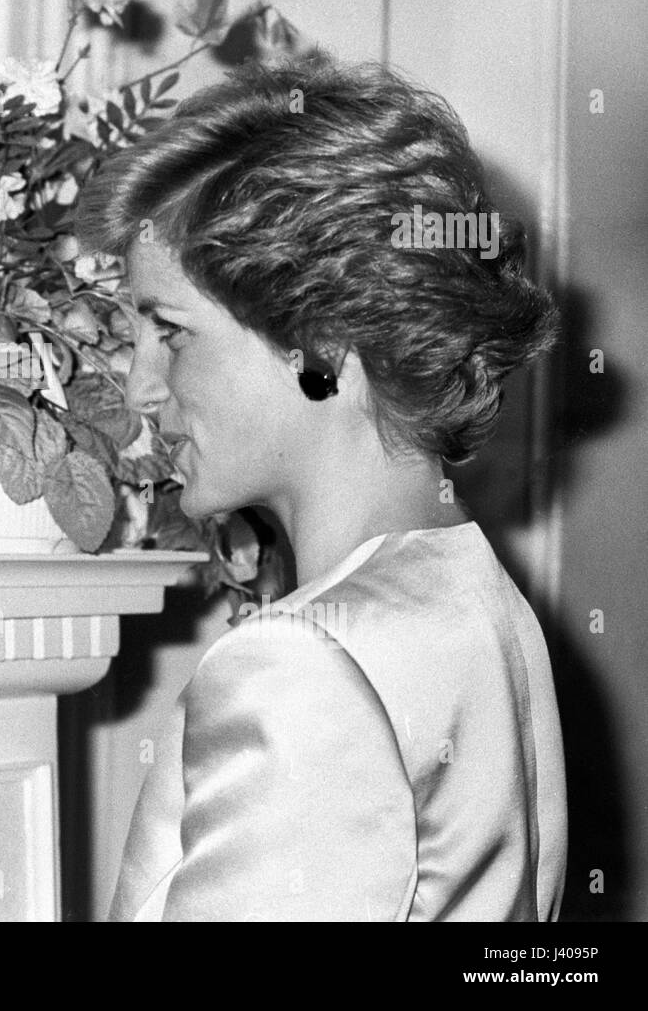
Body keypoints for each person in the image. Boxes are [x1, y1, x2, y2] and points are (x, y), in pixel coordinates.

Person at [77, 53, 567, 921]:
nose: (141, 387)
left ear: (323, 346)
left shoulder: (302, 667)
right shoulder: (480, 599)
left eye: (171, 332)